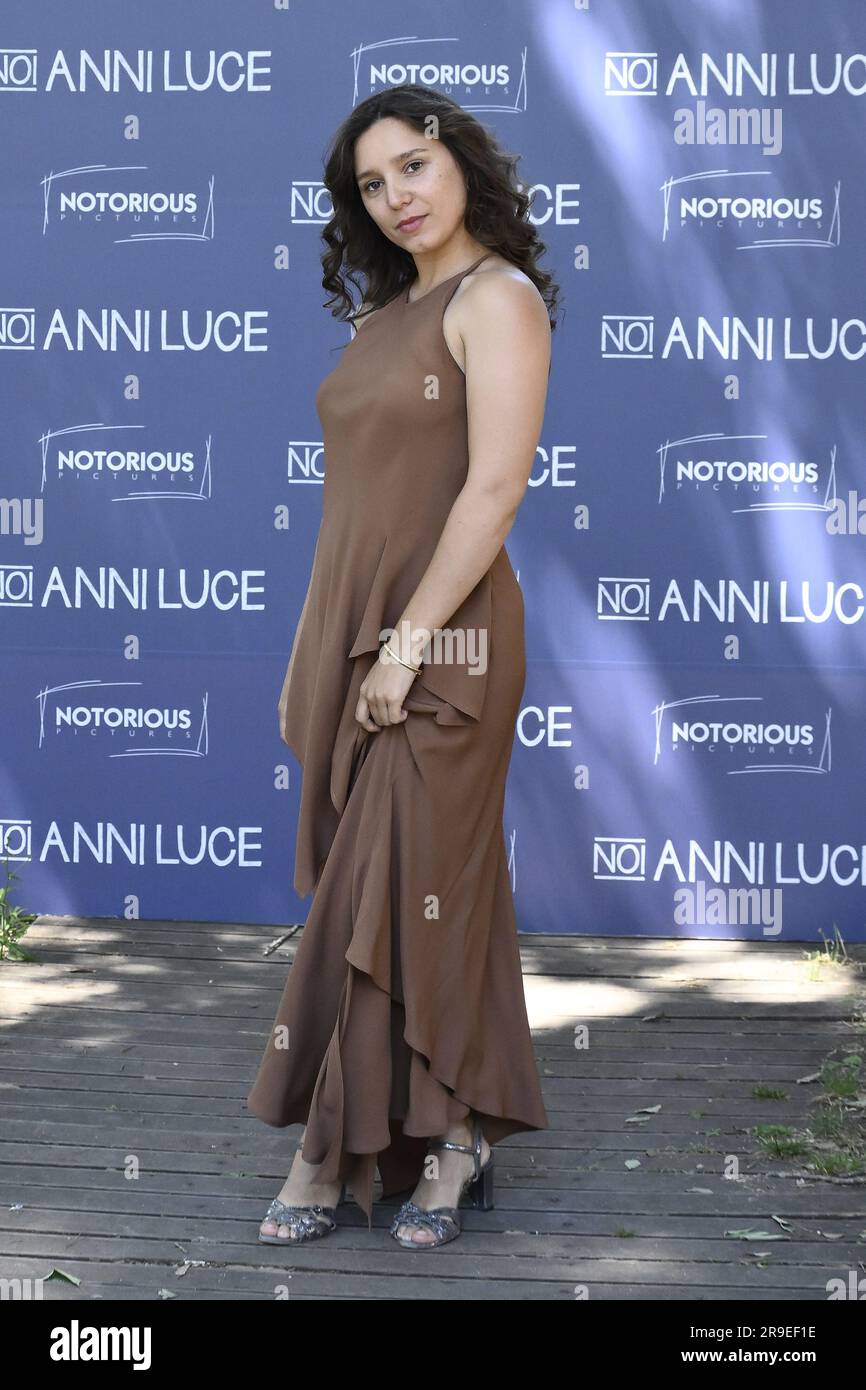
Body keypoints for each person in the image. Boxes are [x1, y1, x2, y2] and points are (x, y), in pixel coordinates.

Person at [246, 83, 558, 1250]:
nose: (395, 198)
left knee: (385, 889)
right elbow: (348, 511)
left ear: (461, 162)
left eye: (412, 167)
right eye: (371, 186)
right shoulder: (380, 322)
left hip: (447, 645)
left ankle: (326, 1151)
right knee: (439, 896)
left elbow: (492, 491)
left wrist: (410, 642)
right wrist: (307, 657)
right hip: (351, 636)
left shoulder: (497, 299)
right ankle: (459, 1132)